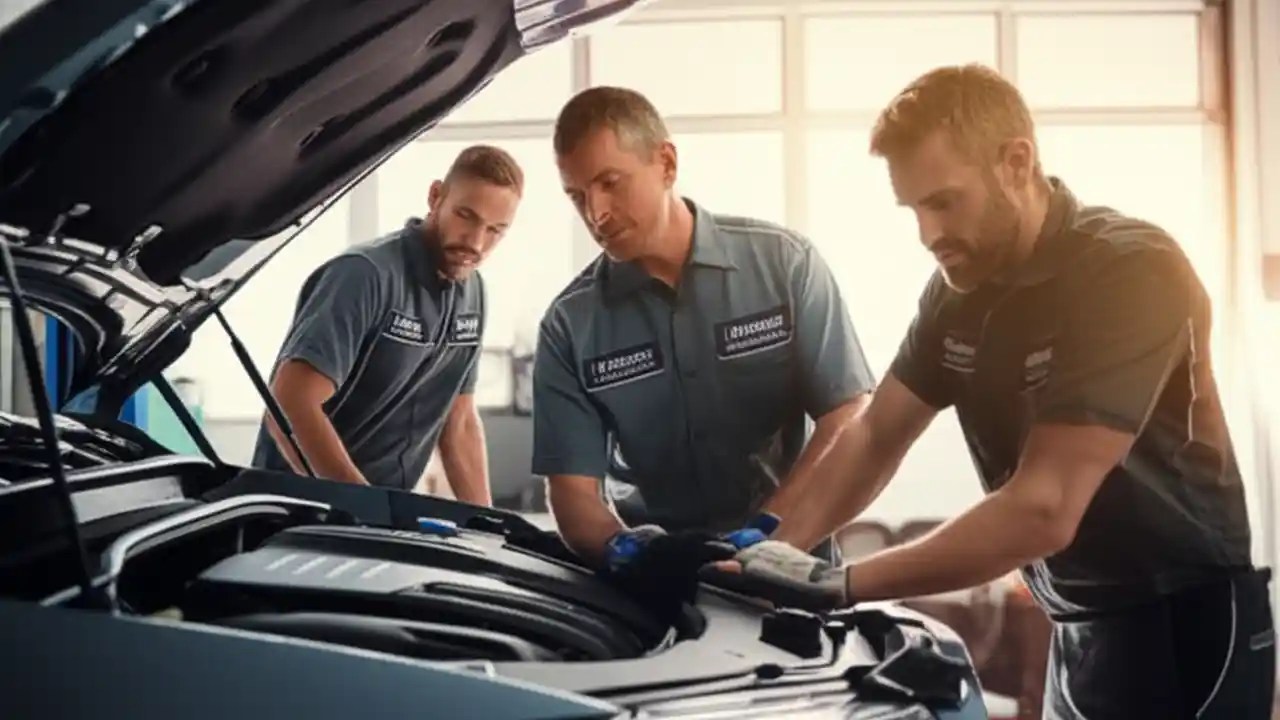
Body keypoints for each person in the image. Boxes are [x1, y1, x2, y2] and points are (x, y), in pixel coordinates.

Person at [725, 64, 1276, 719]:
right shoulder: (958, 293)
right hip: (1074, 623)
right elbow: (876, 436)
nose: (929, 236)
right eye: (914, 209)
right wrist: (771, 556)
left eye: (944, 202)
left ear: (1016, 162)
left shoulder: (1128, 270)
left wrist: (841, 583)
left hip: (1183, 624)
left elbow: (1043, 508)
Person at [530, 85, 876, 609]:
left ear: (666, 163)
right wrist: (628, 551)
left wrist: (770, 533)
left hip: (791, 574)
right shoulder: (569, 324)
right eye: (577, 196)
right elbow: (574, 494)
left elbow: (847, 414)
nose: (596, 212)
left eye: (610, 183)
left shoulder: (785, 265)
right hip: (658, 594)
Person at [251, 144, 525, 505]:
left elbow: (457, 422)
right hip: (296, 511)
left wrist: (489, 523)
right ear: (435, 196)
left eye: (495, 230)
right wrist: (362, 505)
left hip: (383, 519)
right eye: (466, 215)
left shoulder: (473, 293)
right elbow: (290, 401)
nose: (476, 242)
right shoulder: (364, 275)